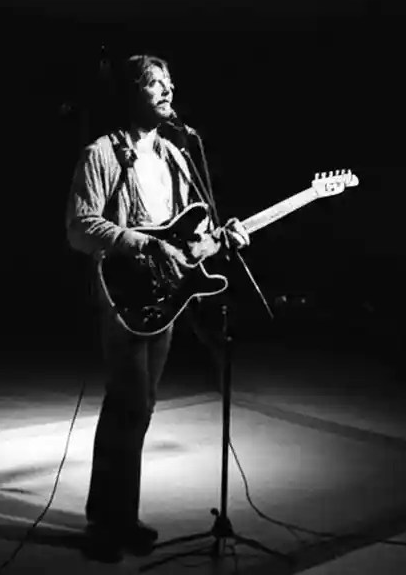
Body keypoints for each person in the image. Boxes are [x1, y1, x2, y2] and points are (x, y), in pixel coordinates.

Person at [65, 54, 250, 563]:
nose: (167, 91)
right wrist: (145, 244)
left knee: (141, 408)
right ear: (131, 93)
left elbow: (191, 230)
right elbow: (81, 226)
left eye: (170, 83)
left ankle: (121, 517)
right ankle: (104, 524)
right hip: (122, 293)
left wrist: (222, 237)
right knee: (127, 404)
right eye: (154, 84)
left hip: (163, 298)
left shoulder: (175, 154)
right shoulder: (102, 153)